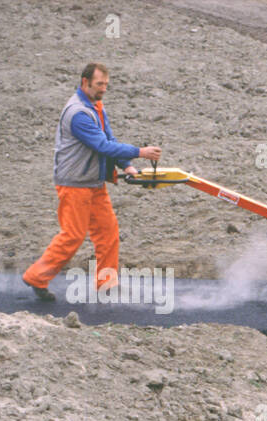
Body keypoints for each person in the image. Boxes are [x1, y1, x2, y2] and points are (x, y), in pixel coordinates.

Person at [22, 62, 162, 301]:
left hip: (94, 183)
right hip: (74, 183)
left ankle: (106, 284)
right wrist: (140, 152)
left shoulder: (96, 105)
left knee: (108, 232)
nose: (104, 89)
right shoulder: (78, 114)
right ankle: (37, 277)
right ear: (85, 82)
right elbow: (102, 146)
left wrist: (126, 164)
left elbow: (109, 138)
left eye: (106, 84)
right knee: (73, 235)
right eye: (99, 84)